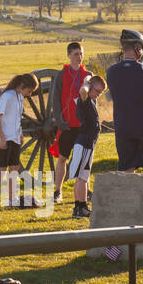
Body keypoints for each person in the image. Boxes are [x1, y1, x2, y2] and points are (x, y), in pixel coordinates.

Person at [104, 29, 143, 179]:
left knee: (127, 171)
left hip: (123, 126)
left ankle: (130, 202)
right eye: (141, 48)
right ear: (137, 48)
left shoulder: (111, 72)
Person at [0, 72, 40, 209]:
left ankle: (11, 199)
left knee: (14, 168)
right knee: (1, 169)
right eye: (29, 91)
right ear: (22, 85)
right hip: (5, 138)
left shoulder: (19, 97)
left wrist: (21, 134)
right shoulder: (7, 96)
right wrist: (2, 139)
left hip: (15, 138)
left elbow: (17, 118)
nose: (29, 94)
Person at [50, 41, 89, 202]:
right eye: (75, 54)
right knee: (62, 158)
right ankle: (58, 191)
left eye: (81, 54)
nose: (79, 57)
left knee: (83, 160)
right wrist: (60, 122)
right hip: (67, 125)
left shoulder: (88, 75)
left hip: (83, 125)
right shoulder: (62, 75)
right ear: (69, 55)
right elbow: (55, 100)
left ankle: (85, 190)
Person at [67, 74, 104, 219]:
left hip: (87, 144)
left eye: (101, 93)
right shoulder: (85, 99)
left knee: (82, 177)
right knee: (82, 177)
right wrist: (86, 82)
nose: (99, 95)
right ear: (90, 88)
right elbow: (83, 91)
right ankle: (81, 207)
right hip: (84, 144)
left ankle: (79, 207)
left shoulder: (91, 101)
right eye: (97, 91)